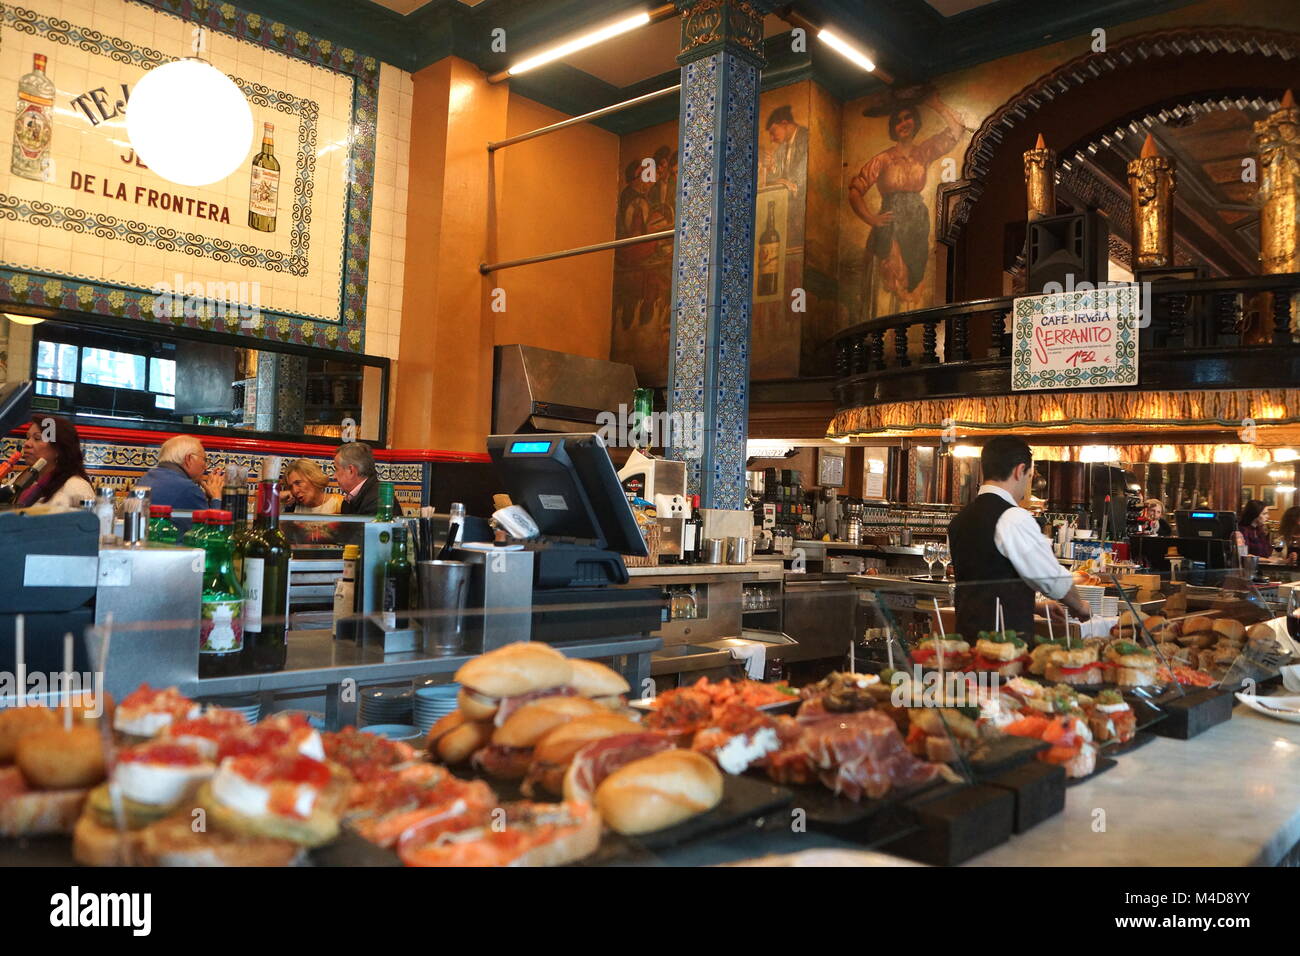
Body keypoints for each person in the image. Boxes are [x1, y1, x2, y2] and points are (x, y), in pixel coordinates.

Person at [947, 436, 1092, 641]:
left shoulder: (961, 518)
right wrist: (1080, 606)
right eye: (1029, 476)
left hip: (968, 639)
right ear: (1019, 471)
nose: (1026, 483)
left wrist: (1035, 606)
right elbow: (1052, 579)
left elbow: (985, 586)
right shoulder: (1013, 517)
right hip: (1006, 646)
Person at [15, 414, 95, 510]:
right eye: (27, 438)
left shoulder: (76, 488)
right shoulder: (22, 479)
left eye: (37, 438)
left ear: (58, 449)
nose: (27, 444)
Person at [137, 435, 223, 513]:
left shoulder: (147, 477)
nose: (206, 467)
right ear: (189, 459)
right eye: (204, 460)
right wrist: (216, 498)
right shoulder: (188, 489)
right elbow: (209, 529)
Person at [334, 442, 379, 515]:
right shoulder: (350, 499)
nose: (334, 476)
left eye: (336, 469)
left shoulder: (377, 501)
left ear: (351, 470)